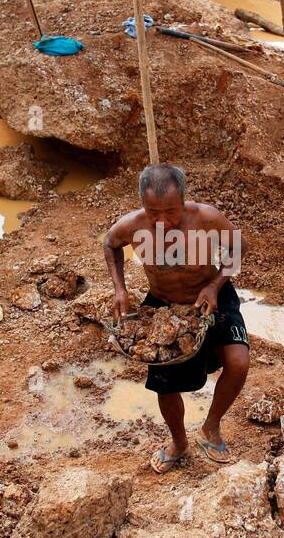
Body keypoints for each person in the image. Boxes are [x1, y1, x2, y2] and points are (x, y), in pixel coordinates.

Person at [103, 164, 250, 474]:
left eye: (171, 211)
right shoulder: (132, 225)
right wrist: (120, 288)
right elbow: (110, 244)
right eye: (153, 212)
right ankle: (179, 442)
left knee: (238, 363)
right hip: (164, 305)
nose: (162, 221)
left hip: (212, 295)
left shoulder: (205, 217)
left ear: (183, 200)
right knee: (165, 385)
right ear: (142, 204)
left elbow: (239, 246)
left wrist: (214, 285)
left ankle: (210, 428)